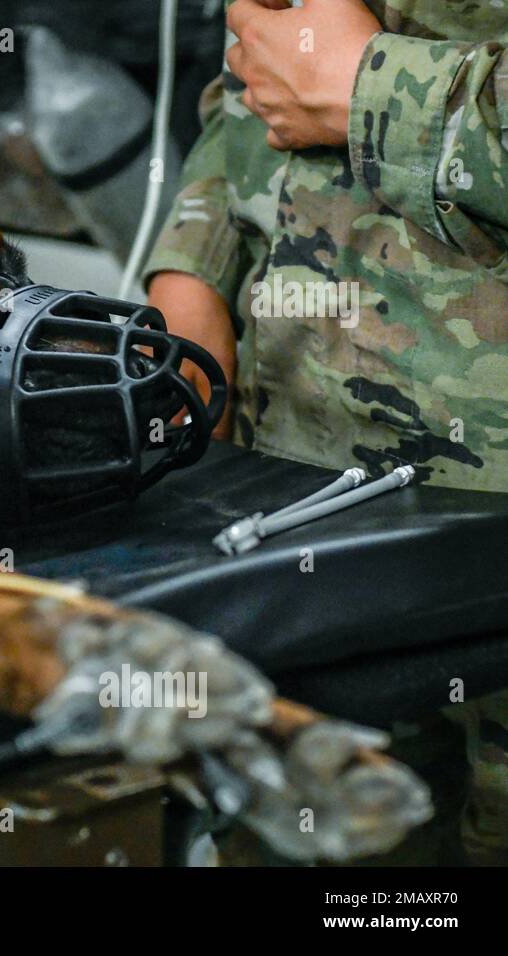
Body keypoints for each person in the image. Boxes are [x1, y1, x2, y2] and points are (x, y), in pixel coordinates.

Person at [144, 0, 508, 863]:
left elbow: (330, 68)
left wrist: (372, 88)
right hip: (294, 495)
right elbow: (263, 61)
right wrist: (196, 267)